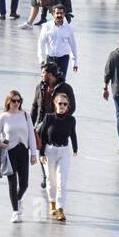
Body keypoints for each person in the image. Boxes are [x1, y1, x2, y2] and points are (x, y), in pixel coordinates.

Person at [0, 90, 38, 222]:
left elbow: (31, 136)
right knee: (12, 183)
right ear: (8, 101)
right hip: (9, 152)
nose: (16, 103)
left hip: (23, 151)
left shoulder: (25, 115)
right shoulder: (3, 117)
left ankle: (18, 200)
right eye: (14, 101)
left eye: (19, 101)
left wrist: (33, 154)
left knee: (24, 184)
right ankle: (15, 212)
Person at [36, 91, 77, 222]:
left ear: (68, 106)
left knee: (62, 181)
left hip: (64, 151)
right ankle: (52, 204)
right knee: (51, 181)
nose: (62, 106)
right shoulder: (48, 118)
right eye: (60, 103)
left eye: (65, 104)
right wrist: (41, 153)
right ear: (55, 104)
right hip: (49, 151)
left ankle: (60, 209)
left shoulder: (71, 119)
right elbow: (42, 136)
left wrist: (75, 148)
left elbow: (73, 135)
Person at [37, 5, 78, 77]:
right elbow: (41, 44)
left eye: (61, 13)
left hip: (63, 59)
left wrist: (74, 62)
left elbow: (73, 46)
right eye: (57, 13)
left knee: (61, 82)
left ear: (64, 14)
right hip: (50, 59)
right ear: (53, 14)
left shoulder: (68, 28)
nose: (59, 15)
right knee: (49, 81)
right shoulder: (46, 26)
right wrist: (41, 60)